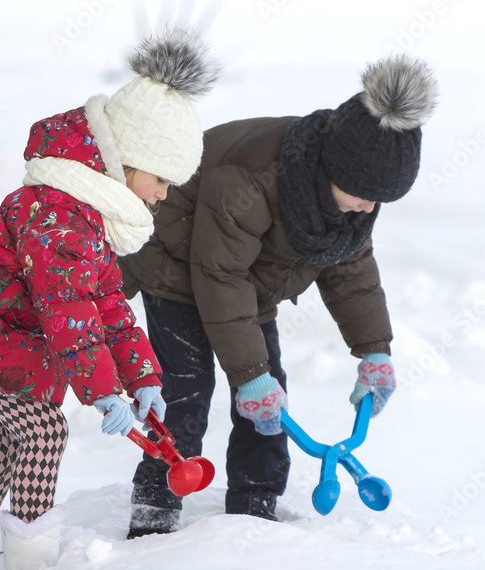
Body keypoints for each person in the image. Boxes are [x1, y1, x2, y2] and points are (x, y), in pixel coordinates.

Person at [0, 30, 218, 570]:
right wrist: (103, 393)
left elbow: (108, 305)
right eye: (162, 179)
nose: (164, 195)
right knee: (43, 431)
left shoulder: (92, 215)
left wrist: (141, 380)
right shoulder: (61, 215)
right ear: (126, 162)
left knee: (2, 451)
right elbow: (68, 312)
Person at [118, 54, 437, 537]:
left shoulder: (346, 197)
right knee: (185, 390)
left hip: (246, 282)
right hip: (177, 264)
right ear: (335, 169)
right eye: (363, 194)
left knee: (268, 396)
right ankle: (155, 509)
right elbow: (218, 273)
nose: (369, 208)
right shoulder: (252, 177)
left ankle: (255, 504)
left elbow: (350, 267)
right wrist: (248, 374)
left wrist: (374, 351)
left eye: (378, 200)